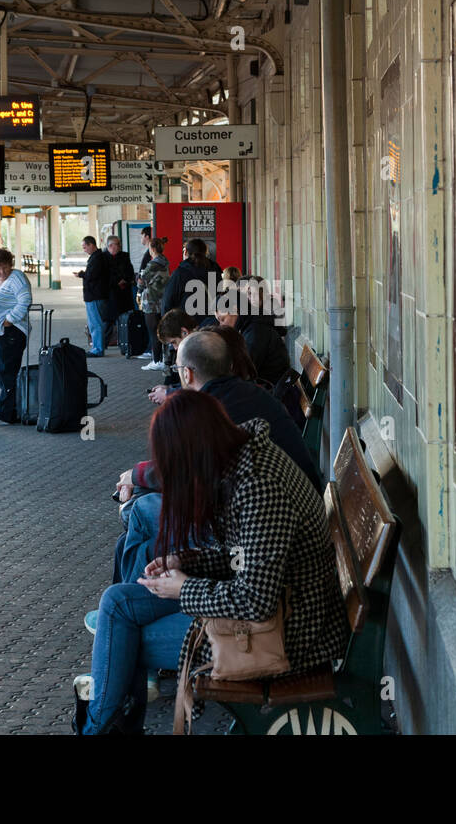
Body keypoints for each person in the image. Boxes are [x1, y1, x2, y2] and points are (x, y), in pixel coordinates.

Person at [72, 389, 349, 735]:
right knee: (117, 603)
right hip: (277, 610)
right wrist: (185, 560)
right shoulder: (242, 460)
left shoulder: (260, 487)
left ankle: (97, 729)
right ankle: (104, 726)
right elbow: (243, 559)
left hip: (290, 634)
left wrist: (185, 587)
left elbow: (256, 601)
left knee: (125, 643)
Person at [105, 328, 321, 593]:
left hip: (255, 535)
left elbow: (184, 471)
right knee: (135, 523)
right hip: (259, 526)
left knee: (137, 528)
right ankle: (134, 597)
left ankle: (136, 598)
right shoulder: (242, 396)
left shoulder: (212, 413)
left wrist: (135, 477)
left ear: (187, 373)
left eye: (177, 365)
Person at [0, 247, 32, 426]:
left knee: (7, 372)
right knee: (0, 373)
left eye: (4, 267)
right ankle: (15, 410)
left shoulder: (17, 278)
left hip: (12, 332)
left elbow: (25, 300)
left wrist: (10, 319)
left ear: (10, 264)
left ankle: (3, 415)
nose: (2, 272)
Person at [217, 308, 291, 387]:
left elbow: (245, 371)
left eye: (223, 319)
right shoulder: (251, 325)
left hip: (275, 388)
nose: (221, 325)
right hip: (273, 385)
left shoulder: (255, 331)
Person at [160, 238, 222, 320]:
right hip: (212, 324)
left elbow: (167, 303)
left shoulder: (180, 273)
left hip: (188, 326)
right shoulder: (216, 272)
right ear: (206, 252)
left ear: (185, 252)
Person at [75, 235, 111, 357]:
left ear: (91, 245)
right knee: (96, 323)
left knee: (95, 323)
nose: (84, 250)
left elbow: (92, 275)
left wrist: (81, 275)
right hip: (97, 295)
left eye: (85, 247)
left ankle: (97, 349)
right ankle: (98, 347)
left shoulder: (97, 258)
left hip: (94, 296)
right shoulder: (99, 257)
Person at [138, 237, 170, 371]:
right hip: (162, 301)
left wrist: (139, 283)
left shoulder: (152, 264)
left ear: (152, 248)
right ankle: (164, 358)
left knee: (153, 332)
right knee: (162, 331)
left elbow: (141, 281)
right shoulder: (165, 262)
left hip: (151, 301)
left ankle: (156, 361)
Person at [106, 235, 137, 318]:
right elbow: (105, 274)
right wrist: (117, 281)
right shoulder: (103, 257)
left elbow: (130, 271)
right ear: (110, 245)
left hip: (125, 291)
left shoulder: (124, 256)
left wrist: (125, 280)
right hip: (111, 292)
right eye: (117, 244)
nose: (120, 246)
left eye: (119, 244)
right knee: (112, 318)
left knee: (126, 317)